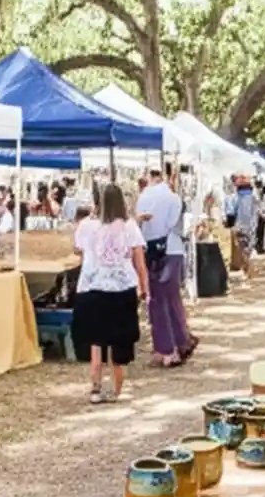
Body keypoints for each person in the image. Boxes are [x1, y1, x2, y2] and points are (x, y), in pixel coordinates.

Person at [73, 185, 148, 403]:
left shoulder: (87, 226)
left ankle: (95, 388)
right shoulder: (129, 226)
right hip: (121, 287)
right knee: (119, 342)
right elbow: (140, 263)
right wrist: (145, 288)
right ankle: (116, 390)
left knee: (96, 342)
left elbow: (76, 248)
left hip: (92, 287)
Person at [136, 169, 198, 366]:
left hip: (152, 251)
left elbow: (140, 227)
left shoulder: (144, 197)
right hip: (174, 249)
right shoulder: (173, 198)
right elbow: (180, 226)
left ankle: (166, 349)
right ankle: (181, 341)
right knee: (172, 298)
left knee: (157, 300)